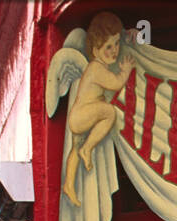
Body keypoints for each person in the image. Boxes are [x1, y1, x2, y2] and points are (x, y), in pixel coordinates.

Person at [63, 12, 135, 207]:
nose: (114, 51)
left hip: (80, 116)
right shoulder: (96, 68)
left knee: (74, 149)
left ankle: (69, 184)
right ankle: (88, 148)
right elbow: (115, 82)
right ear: (95, 50)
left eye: (117, 44)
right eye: (108, 47)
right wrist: (126, 70)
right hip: (82, 116)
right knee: (109, 112)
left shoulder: (95, 66)